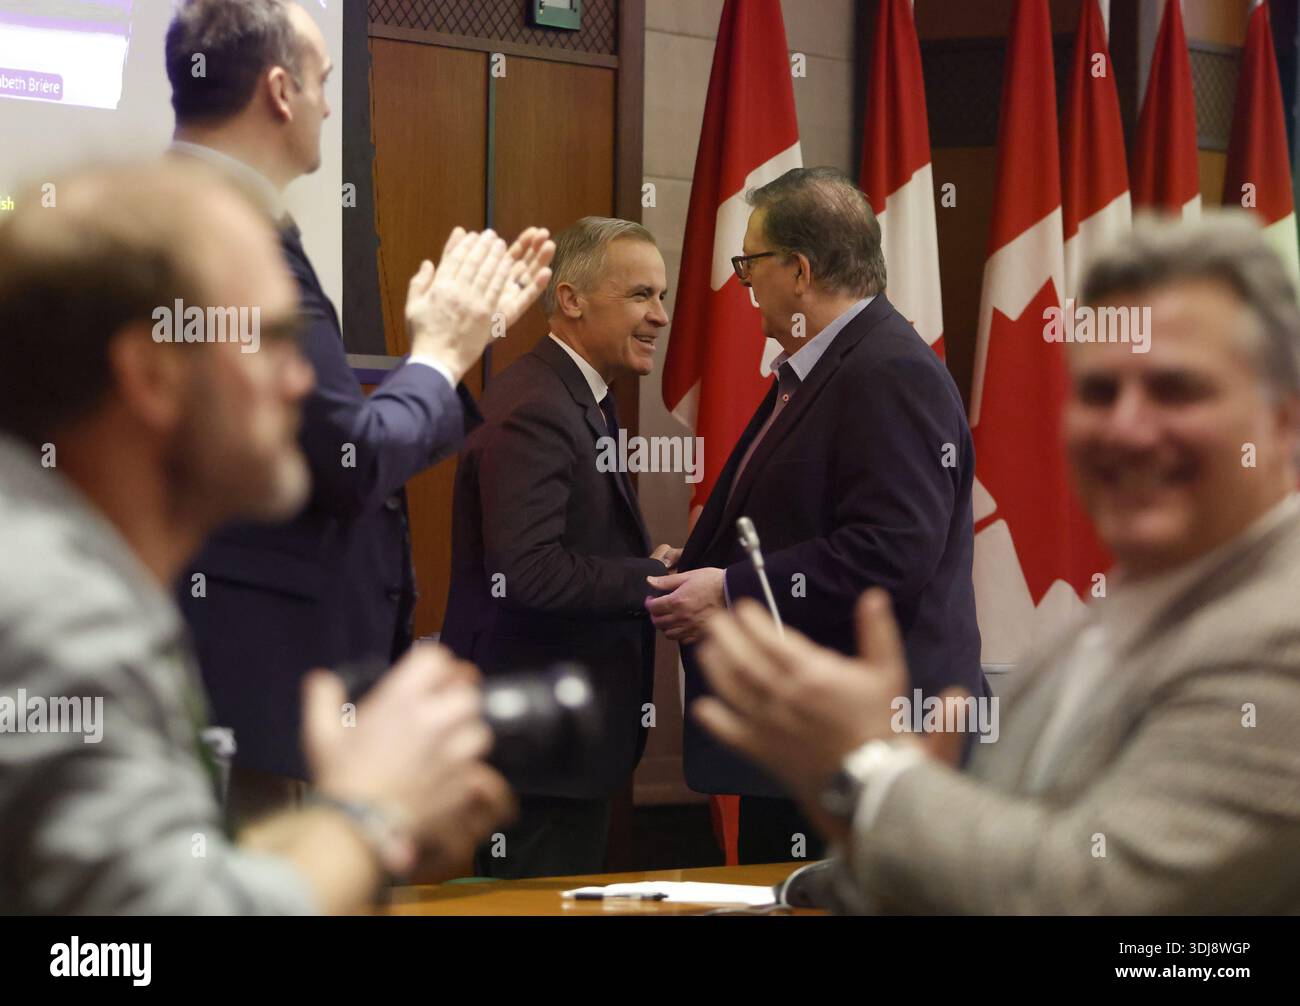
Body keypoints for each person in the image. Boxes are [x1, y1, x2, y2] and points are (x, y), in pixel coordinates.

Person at [694, 212, 1300, 913]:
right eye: (1100, 393)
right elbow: (1003, 854)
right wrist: (813, 893)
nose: (1127, 429)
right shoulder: (1100, 628)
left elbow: (1094, 900)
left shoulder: (1280, 633)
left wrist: (867, 769)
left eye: (1176, 390)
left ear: (1282, 422)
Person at [0, 161, 514, 914]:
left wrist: (368, 809)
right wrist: (367, 816)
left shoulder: (59, 564)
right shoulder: (57, 613)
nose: (304, 383)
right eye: (273, 340)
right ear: (152, 375)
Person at [163, 0, 553, 815]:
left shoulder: (172, 212)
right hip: (245, 685)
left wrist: (444, 350)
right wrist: (441, 357)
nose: (330, 106)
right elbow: (348, 459)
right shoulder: (231, 239)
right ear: (279, 91)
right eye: (324, 82)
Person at [646, 167, 984, 863]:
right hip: (815, 747)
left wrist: (729, 591)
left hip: (870, 749)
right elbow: (805, 521)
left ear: (799, 271)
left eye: (750, 265)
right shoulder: (822, 367)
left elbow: (893, 551)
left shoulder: (889, 372)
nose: (743, 285)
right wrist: (707, 566)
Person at [443, 217, 673, 877]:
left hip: (561, 752)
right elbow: (526, 573)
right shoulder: (540, 405)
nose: (659, 316)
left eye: (661, 297)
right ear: (570, 299)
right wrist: (645, 582)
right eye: (640, 296)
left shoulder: (578, 397)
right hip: (535, 758)